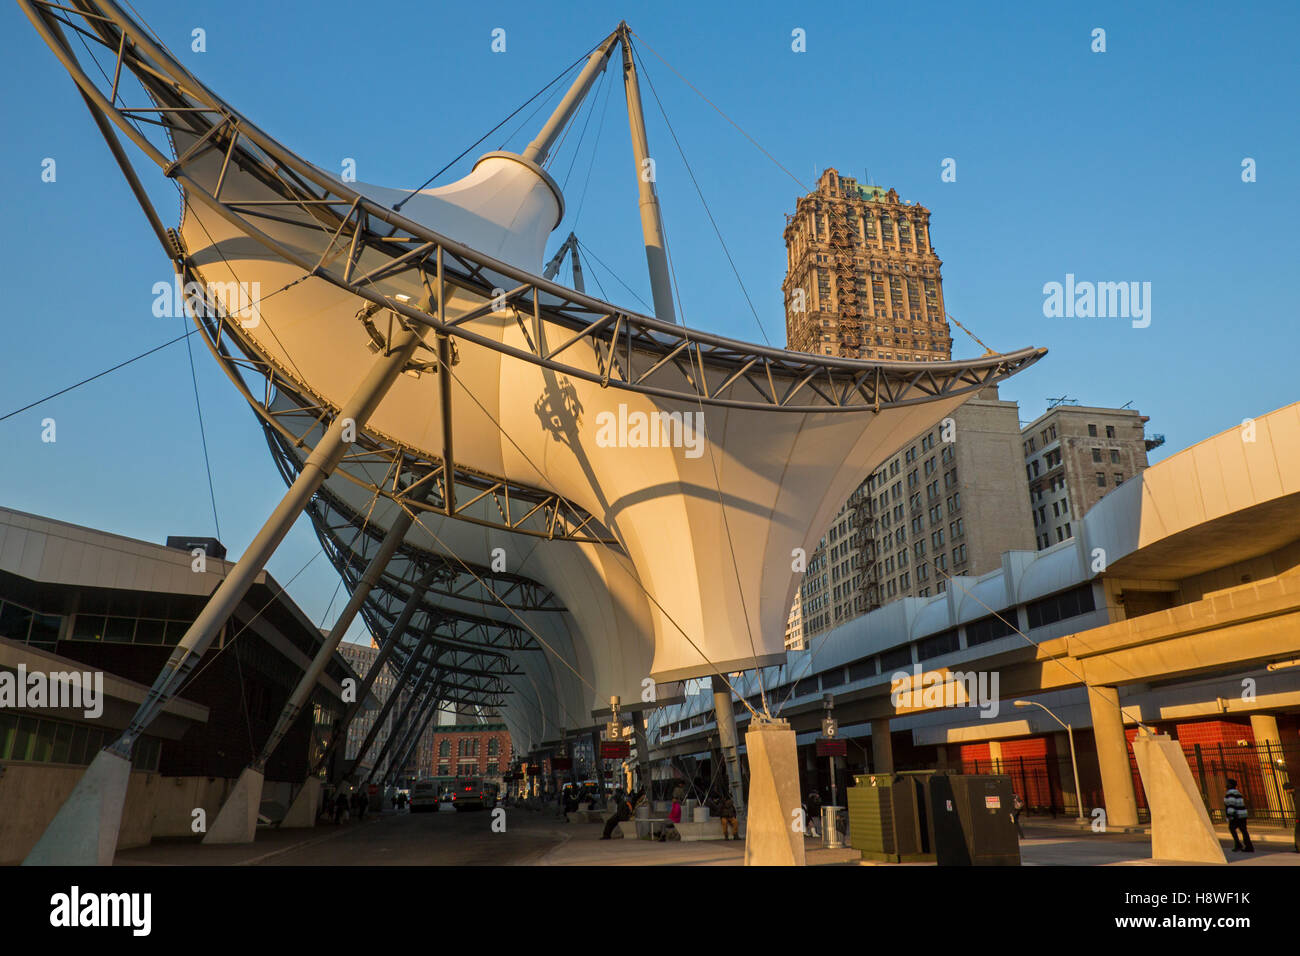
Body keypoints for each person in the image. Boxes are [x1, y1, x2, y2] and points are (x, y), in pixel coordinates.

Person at [1224, 779, 1254, 852]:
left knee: (1232, 828)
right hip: (1242, 814)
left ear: (1229, 785)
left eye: (1227, 784)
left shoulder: (1230, 793)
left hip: (1236, 815)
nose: (1226, 785)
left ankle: (1238, 844)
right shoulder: (1238, 793)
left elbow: (1231, 804)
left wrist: (1230, 815)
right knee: (1244, 830)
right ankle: (1249, 846)